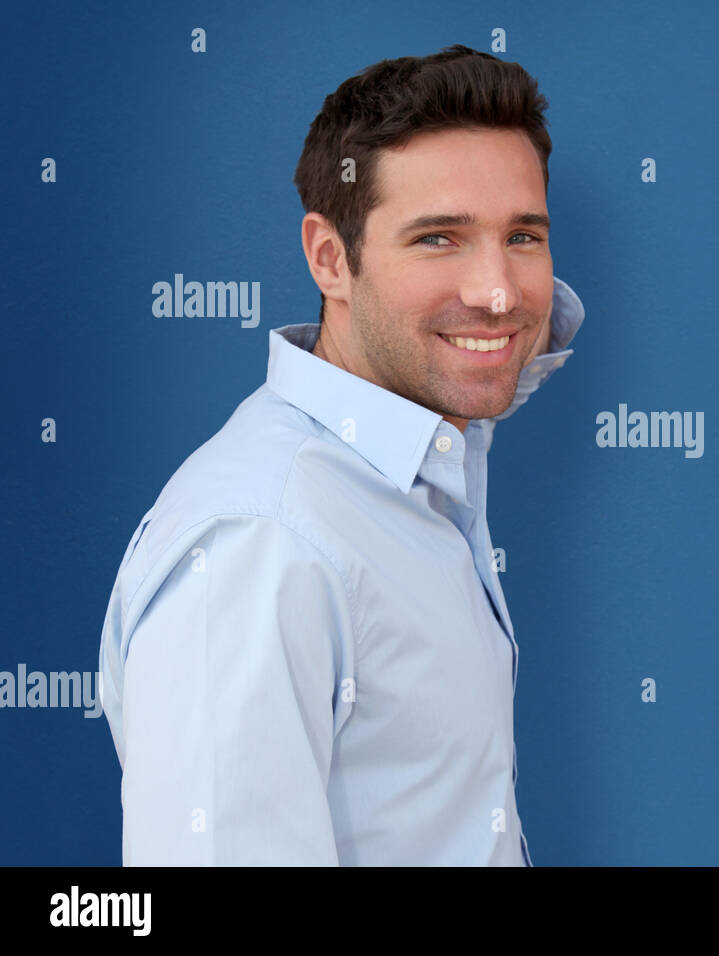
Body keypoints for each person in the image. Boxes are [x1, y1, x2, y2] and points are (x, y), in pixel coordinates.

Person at [97, 45, 584, 865]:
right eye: (439, 239)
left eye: (523, 236)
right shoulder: (263, 541)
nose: (498, 290)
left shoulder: (415, 468)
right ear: (330, 259)